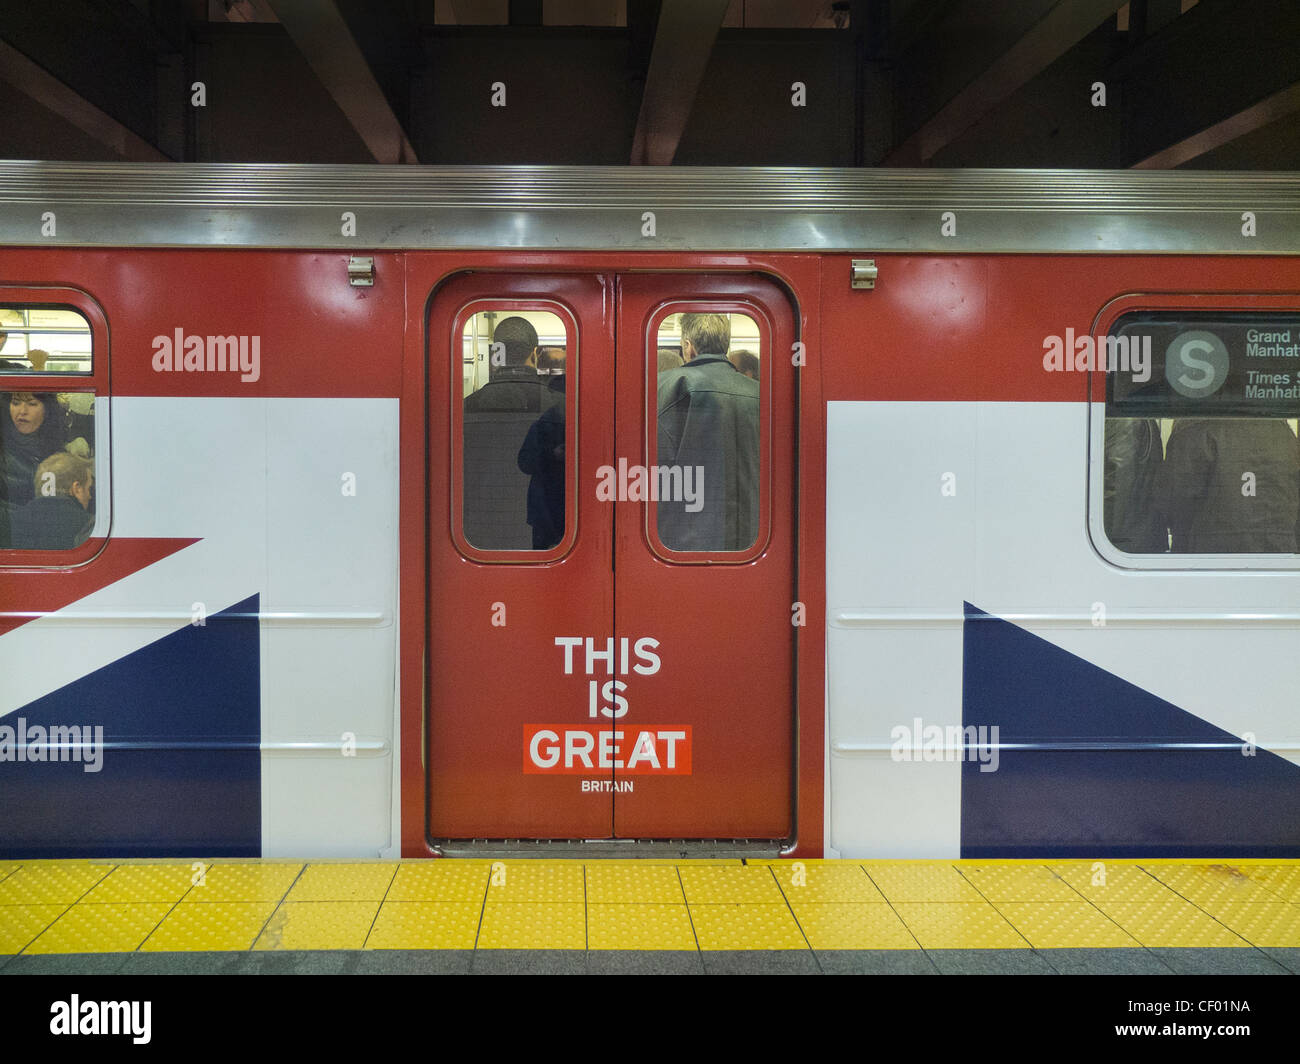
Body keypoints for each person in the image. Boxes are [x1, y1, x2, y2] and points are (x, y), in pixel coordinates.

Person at [656, 313, 759, 551]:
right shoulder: (763, 393)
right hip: (753, 538)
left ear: (688, 346)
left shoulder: (664, 387)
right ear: (726, 345)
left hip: (681, 542)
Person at [1159, 417, 1300, 553]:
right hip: (1280, 560)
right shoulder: (1283, 431)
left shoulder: (1195, 428)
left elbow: (1174, 503)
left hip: (1211, 560)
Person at [1103, 418, 1167, 552]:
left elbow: (1116, 487)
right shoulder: (1131, 418)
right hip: (1139, 535)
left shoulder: (1123, 421)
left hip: (1124, 543)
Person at [10, 451, 94, 549]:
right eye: (89, 489)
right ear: (76, 488)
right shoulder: (89, 526)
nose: (90, 496)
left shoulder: (11, 522)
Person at [3, 392, 71, 507]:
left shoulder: (58, 449)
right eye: (15, 403)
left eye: (32, 404)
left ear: (47, 409)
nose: (22, 411)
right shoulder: (4, 452)